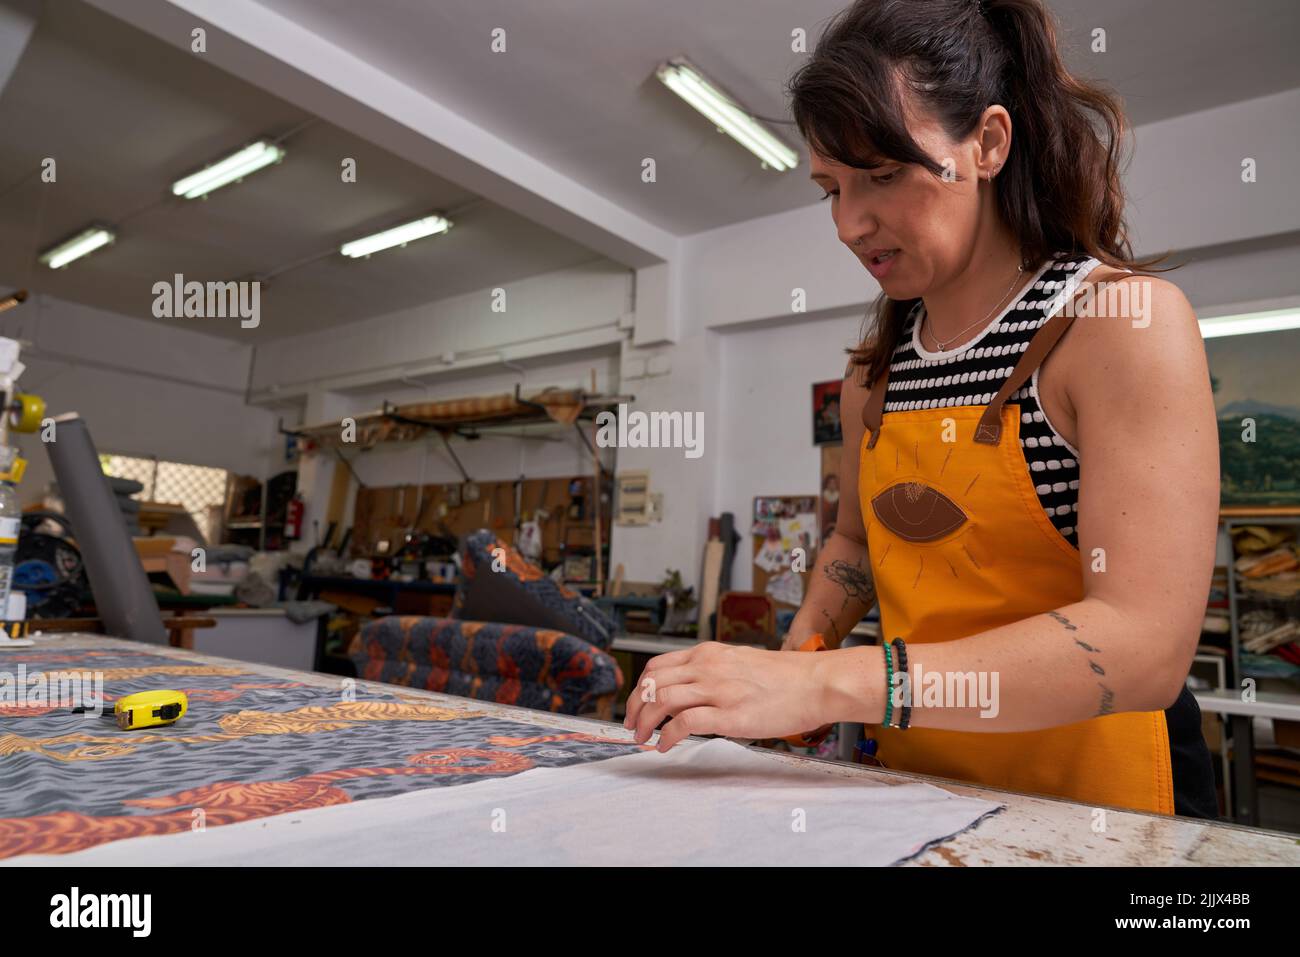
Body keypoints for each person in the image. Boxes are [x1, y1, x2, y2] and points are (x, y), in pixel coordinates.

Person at [624, 0, 1219, 818]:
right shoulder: (876, 373)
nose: (847, 223)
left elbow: (1144, 643)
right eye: (830, 188)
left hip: (1097, 806)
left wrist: (825, 682)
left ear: (987, 144)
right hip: (921, 794)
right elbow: (854, 541)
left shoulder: (1117, 327)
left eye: (882, 174)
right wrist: (802, 649)